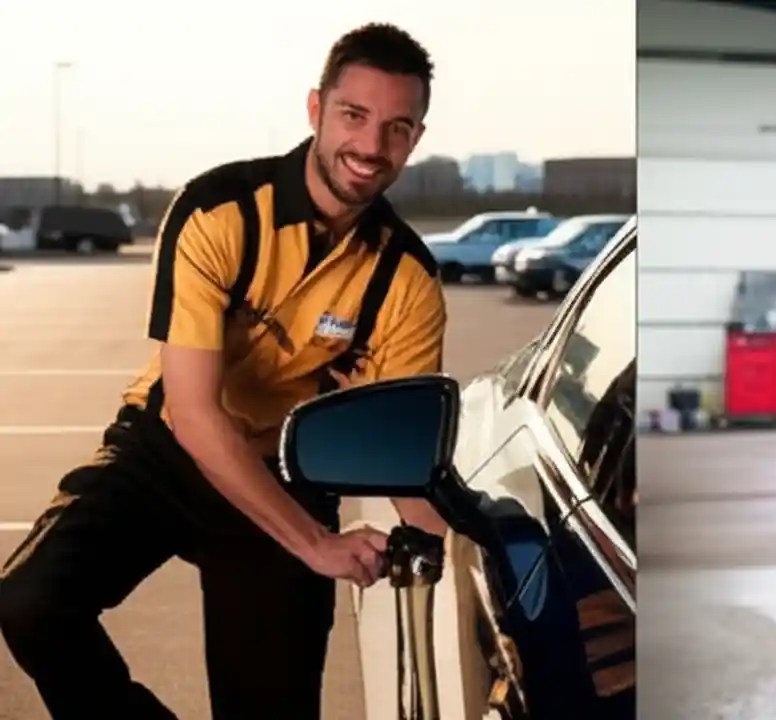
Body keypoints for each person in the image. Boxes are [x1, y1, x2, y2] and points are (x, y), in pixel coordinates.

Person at [0, 22, 449, 720]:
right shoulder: (219, 211)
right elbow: (194, 414)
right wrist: (318, 545)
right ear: (315, 109)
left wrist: (487, 552)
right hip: (166, 451)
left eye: (396, 127)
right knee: (30, 602)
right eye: (353, 116)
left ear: (416, 138)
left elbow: (400, 465)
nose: (370, 146)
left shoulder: (408, 279)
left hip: (289, 475)